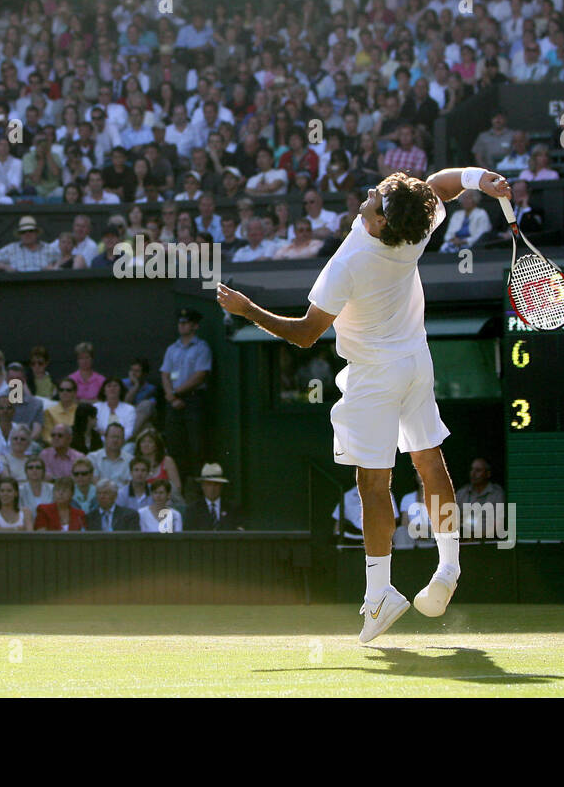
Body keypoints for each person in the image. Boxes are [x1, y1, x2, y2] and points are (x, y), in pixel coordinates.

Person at [217, 164, 513, 642]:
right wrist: (482, 179)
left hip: (374, 377)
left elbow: (306, 333)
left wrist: (246, 308)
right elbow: (439, 186)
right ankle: (449, 567)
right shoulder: (412, 227)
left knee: (374, 486)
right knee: (429, 460)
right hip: (416, 362)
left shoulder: (350, 263)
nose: (369, 195)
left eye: (375, 200)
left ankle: (379, 597)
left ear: (380, 223)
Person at [160, 308, 210, 479]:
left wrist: (175, 393)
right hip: (173, 401)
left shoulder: (201, 348)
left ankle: (196, 486)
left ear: (195, 326)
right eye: (180, 322)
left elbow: (200, 376)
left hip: (193, 399)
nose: (181, 326)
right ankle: (177, 485)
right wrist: (171, 395)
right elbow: (165, 373)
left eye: (186, 322)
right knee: (175, 445)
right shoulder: (172, 349)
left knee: (196, 445)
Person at [182, 463, 244, 530]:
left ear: (221, 486)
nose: (212, 488)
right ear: (203, 486)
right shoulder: (193, 510)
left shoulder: (232, 509)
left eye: (216, 484)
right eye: (209, 484)